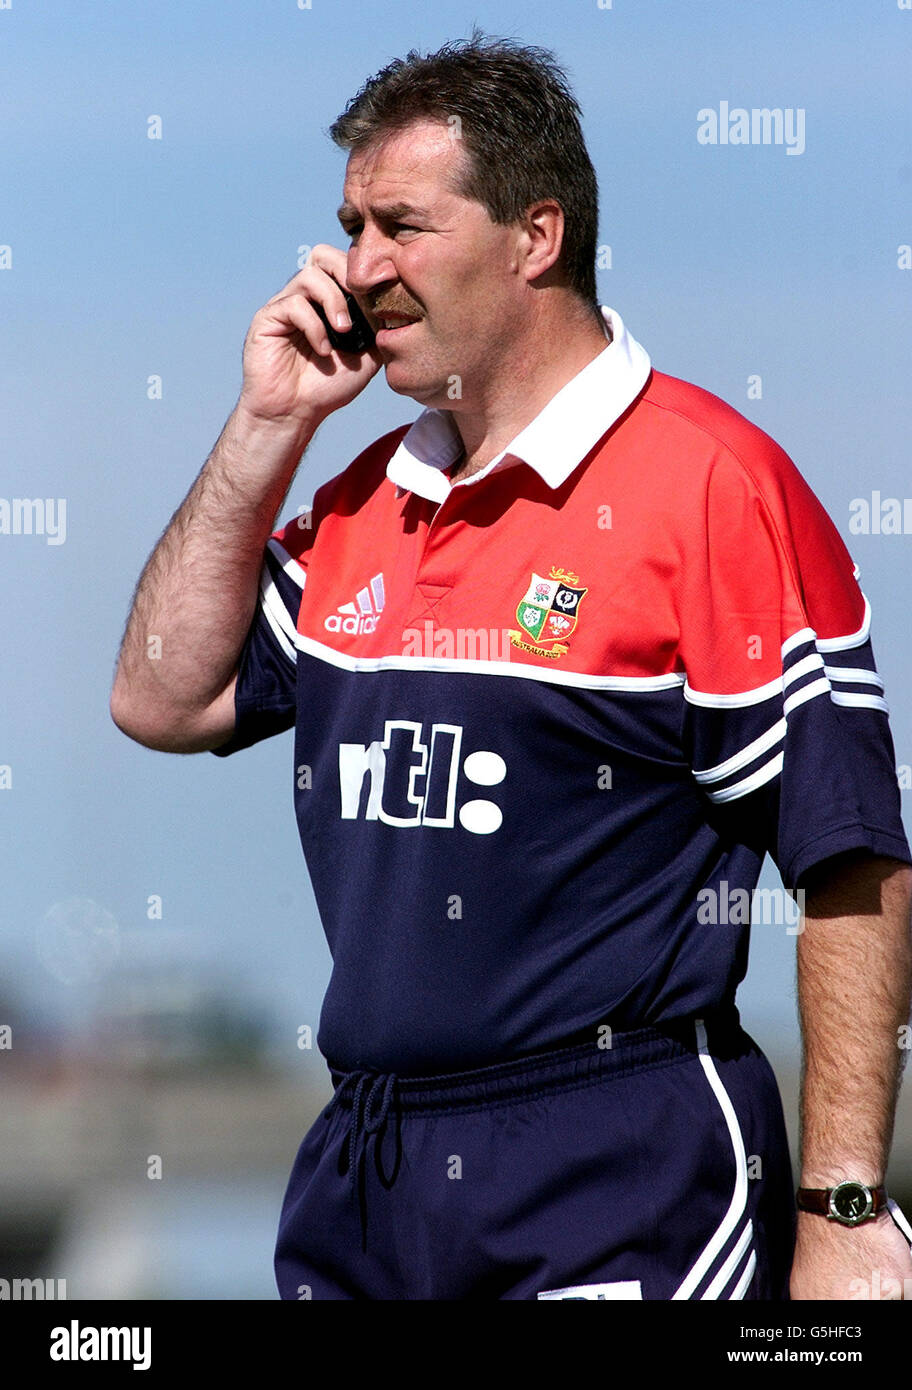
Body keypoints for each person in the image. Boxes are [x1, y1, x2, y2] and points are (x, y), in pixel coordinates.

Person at [110, 33, 912, 1301]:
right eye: (349, 227)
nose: (358, 269)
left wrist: (845, 1204)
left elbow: (854, 862)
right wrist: (267, 426)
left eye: (402, 227)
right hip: (365, 1168)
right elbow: (160, 695)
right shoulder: (363, 495)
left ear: (535, 236)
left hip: (616, 1166)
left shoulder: (713, 487)